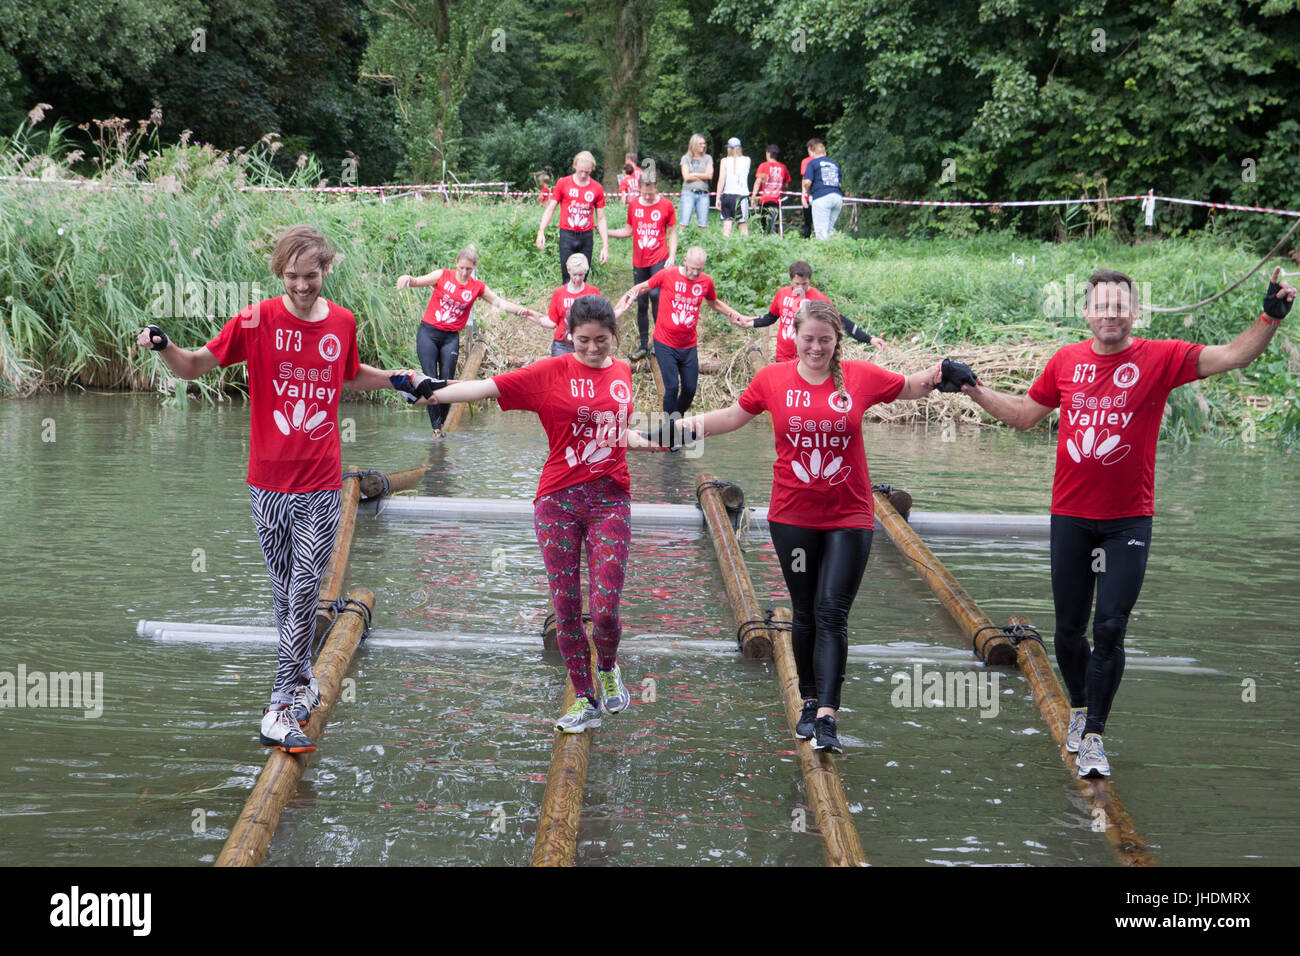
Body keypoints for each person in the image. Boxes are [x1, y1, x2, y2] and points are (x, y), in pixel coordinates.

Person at [960, 268, 1296, 777]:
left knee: (1110, 627)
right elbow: (1026, 415)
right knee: (1070, 632)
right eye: (1102, 306)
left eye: (1121, 306)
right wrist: (973, 389)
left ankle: (1094, 734)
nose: (1111, 314)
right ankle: (1078, 709)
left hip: (1127, 522)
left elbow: (1231, 355)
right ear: (1088, 312)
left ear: (1133, 312)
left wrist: (1270, 316)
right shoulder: (1066, 362)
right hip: (1071, 517)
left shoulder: (1160, 359)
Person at [134, 225, 424, 754]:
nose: (301, 286)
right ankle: (303, 681)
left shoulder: (341, 321)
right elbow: (195, 366)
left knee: (304, 591)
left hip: (320, 481)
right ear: (280, 274)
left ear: (326, 270)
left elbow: (349, 373)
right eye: (292, 276)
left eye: (310, 276)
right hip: (266, 483)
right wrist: (164, 346)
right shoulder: (258, 319)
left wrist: (398, 380)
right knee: (284, 593)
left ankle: (278, 706)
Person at [658, 300, 941, 752]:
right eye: (808, 339)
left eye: (824, 340)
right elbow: (731, 417)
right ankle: (809, 701)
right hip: (792, 518)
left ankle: (828, 714)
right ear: (793, 336)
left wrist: (943, 372)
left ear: (836, 342)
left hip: (849, 516)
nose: (815, 348)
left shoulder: (860, 377)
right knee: (806, 611)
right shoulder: (773, 379)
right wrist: (672, 430)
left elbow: (910, 386)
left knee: (832, 611)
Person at [414, 297, 639, 733]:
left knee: (606, 609)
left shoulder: (623, 372)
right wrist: (431, 390)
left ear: (614, 335)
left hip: (611, 499)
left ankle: (608, 666)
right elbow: (486, 388)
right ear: (569, 336)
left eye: (601, 340)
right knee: (567, 606)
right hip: (558, 500)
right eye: (583, 340)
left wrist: (662, 435)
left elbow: (616, 430)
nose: (593, 349)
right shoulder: (550, 371)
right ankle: (585, 699)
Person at [397, 247, 547, 439]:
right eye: (461, 268)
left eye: (468, 269)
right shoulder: (442, 275)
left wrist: (529, 313)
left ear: (475, 267)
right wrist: (407, 278)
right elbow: (417, 281)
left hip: (450, 338)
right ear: (456, 263)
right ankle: (436, 428)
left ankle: (442, 422)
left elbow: (501, 303)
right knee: (430, 378)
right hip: (429, 333)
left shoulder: (477, 287)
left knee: (446, 379)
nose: (464, 272)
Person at [617, 245, 747, 421]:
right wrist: (625, 301)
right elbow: (643, 287)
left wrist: (735, 314)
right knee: (671, 388)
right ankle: (672, 432)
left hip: (688, 345)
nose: (694, 273)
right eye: (692, 268)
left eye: (698, 270)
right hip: (664, 343)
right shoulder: (668, 274)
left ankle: (674, 422)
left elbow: (714, 303)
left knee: (690, 388)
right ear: (685, 261)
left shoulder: (705, 282)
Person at [607, 169, 677, 362]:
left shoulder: (666, 205)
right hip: (639, 261)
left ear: (656, 187)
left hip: (659, 258)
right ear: (639, 188)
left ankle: (660, 341)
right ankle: (643, 345)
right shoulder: (634, 204)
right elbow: (628, 230)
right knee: (642, 301)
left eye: (650, 192)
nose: (646, 195)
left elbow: (672, 232)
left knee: (656, 295)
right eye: (643, 191)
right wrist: (607, 232)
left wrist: (671, 255)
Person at [752, 261, 886, 362]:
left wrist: (869, 339)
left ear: (809, 280)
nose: (800, 287)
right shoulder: (782, 293)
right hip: (783, 357)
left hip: (806, 357)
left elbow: (840, 320)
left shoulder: (817, 298)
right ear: (791, 280)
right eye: (797, 284)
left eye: (804, 284)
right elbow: (771, 317)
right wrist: (750, 322)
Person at [537, 150, 610, 284]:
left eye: (587, 172)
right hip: (567, 235)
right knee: (567, 276)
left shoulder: (597, 188)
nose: (583, 175)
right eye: (580, 171)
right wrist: (541, 231)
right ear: (574, 165)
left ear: (592, 169)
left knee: (583, 276)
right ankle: (567, 303)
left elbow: (601, 218)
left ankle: (580, 304)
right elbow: (551, 208)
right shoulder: (563, 183)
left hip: (586, 236)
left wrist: (605, 245)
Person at [547, 253, 599, 356]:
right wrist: (529, 314)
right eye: (574, 275)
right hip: (562, 343)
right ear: (568, 271)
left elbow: (601, 318)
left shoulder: (593, 292)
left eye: (581, 275)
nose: (578, 278)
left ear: (586, 272)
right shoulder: (559, 293)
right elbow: (552, 322)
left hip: (585, 342)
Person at [803, 139, 844, 240]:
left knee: (821, 232)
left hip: (821, 197)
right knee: (829, 230)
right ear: (824, 152)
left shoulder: (812, 163)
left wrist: (808, 193)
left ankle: (823, 255)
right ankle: (832, 253)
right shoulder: (835, 164)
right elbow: (840, 184)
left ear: (812, 152)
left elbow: (807, 182)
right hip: (837, 198)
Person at [716, 137, 751, 238]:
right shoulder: (747, 160)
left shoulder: (724, 161)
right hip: (741, 196)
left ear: (729, 148)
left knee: (727, 227)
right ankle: (746, 247)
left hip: (727, 196)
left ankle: (725, 249)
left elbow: (721, 180)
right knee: (742, 226)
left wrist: (718, 197)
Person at [752, 144, 791, 235]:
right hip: (777, 200)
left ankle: (764, 241)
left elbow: (758, 181)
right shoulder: (783, 167)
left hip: (764, 200)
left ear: (768, 153)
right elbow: (786, 185)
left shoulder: (763, 166)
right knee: (774, 224)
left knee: (763, 226)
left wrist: (753, 196)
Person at [678, 134, 713, 232]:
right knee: (684, 223)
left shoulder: (708, 158)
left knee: (703, 225)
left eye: (704, 143)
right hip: (688, 193)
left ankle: (702, 245)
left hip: (703, 194)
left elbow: (709, 175)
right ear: (694, 144)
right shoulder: (685, 158)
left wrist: (694, 174)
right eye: (700, 144)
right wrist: (703, 175)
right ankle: (680, 243)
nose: (703, 146)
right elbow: (686, 177)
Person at [799, 141, 816, 239]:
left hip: (809, 194)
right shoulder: (824, 160)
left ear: (810, 148)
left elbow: (805, 178)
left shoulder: (806, 161)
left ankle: (807, 241)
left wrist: (803, 195)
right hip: (821, 194)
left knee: (807, 223)